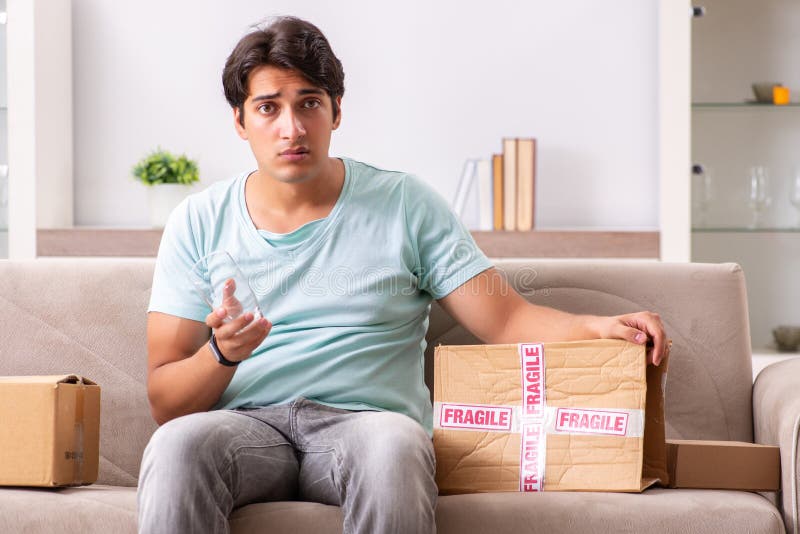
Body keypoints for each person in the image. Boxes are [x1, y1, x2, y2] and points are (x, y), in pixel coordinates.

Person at [137, 16, 668, 534]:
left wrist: (598, 328)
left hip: (366, 425)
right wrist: (222, 353)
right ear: (240, 120)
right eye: (268, 108)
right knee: (176, 447)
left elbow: (506, 319)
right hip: (245, 429)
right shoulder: (198, 220)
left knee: (396, 447)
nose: (291, 128)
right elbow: (165, 399)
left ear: (336, 111)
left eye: (309, 104)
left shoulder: (406, 205)